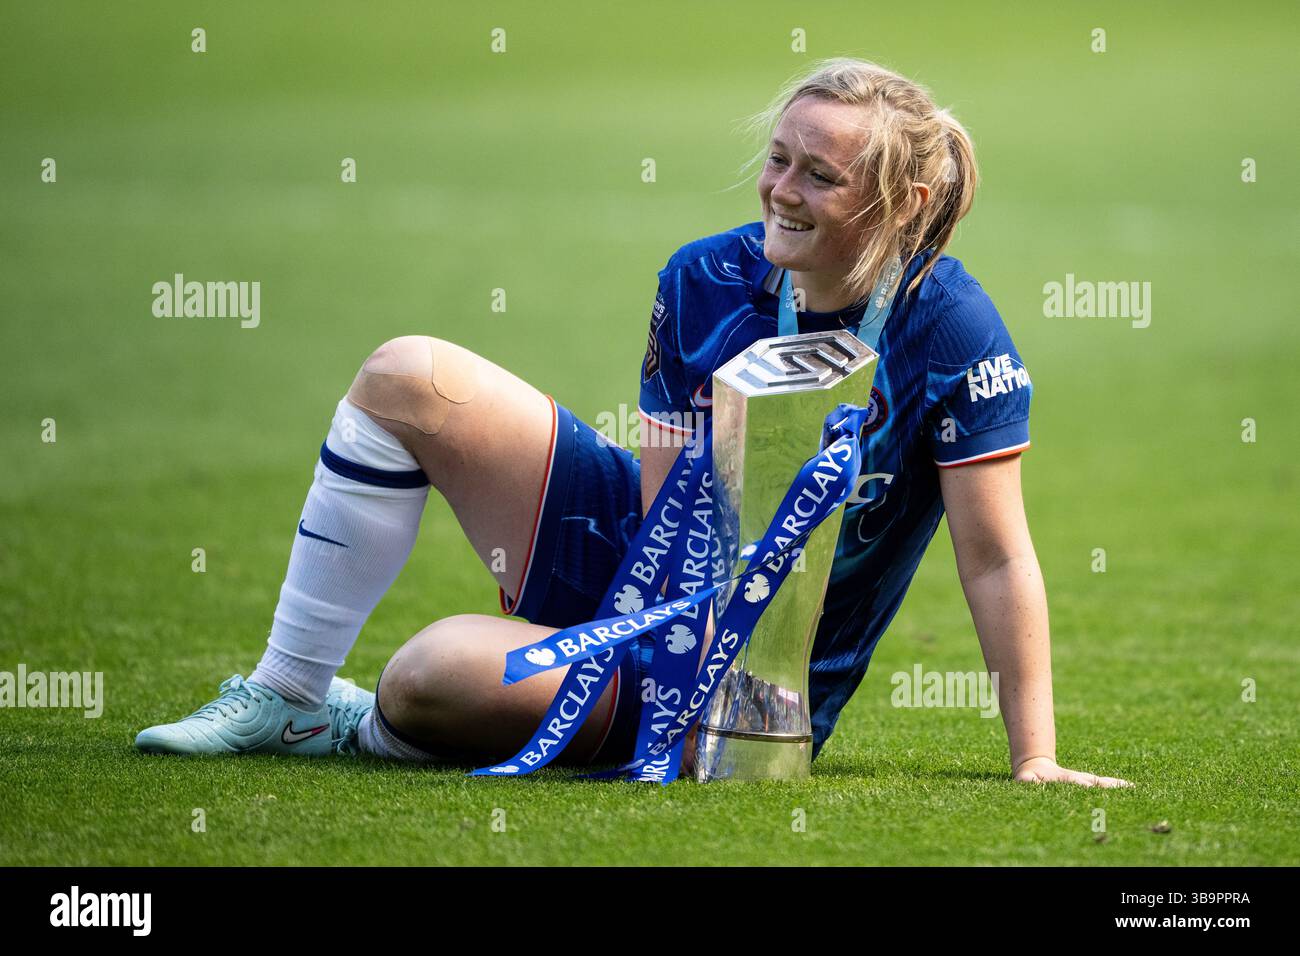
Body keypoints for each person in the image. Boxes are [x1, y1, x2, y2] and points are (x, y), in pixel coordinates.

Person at [136, 58, 1130, 788]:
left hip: (737, 687)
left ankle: (364, 726)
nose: (781, 189)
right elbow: (661, 504)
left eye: (819, 177)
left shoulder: (951, 327)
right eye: (777, 160)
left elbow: (996, 558)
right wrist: (618, 620)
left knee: (423, 675)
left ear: (902, 200)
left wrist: (1033, 755)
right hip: (646, 573)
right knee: (405, 375)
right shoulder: (699, 274)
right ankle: (288, 691)